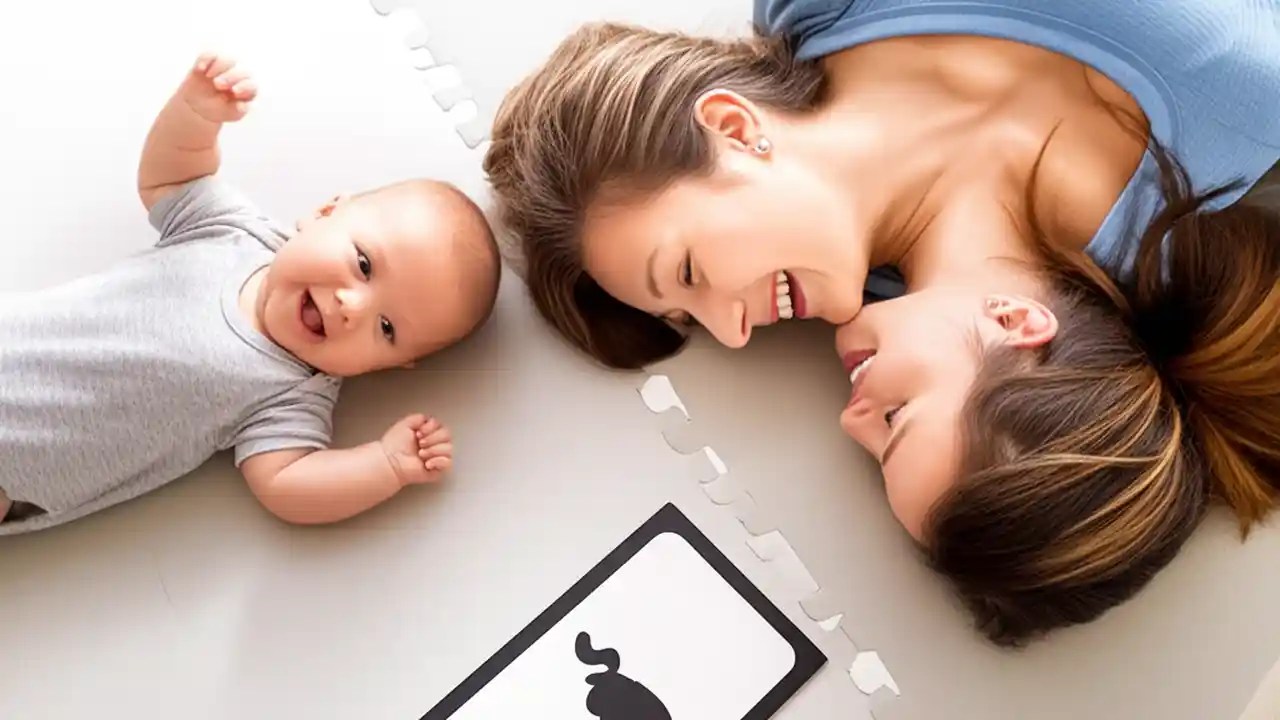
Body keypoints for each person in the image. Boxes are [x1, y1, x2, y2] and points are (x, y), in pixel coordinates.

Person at [482, 1, 1280, 645]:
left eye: (689, 278)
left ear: (731, 127)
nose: (729, 334)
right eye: (684, 305)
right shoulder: (1196, 204)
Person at [0, 51, 502, 535]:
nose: (352, 307)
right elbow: (171, 176)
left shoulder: (292, 391)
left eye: (386, 328)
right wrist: (196, 114)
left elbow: (288, 486)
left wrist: (386, 464)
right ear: (327, 212)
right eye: (364, 265)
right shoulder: (236, 233)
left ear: (386, 367)